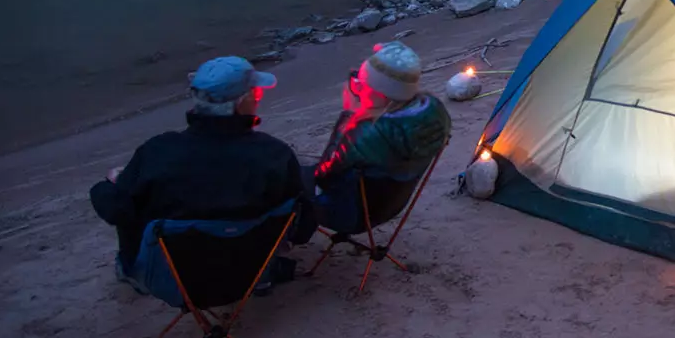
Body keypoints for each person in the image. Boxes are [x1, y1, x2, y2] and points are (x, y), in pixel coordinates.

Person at [90, 56, 305, 290]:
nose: (257, 99)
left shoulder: (158, 152)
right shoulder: (274, 154)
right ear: (240, 104)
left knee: (126, 194)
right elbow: (302, 225)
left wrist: (106, 187)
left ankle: (131, 269)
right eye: (256, 93)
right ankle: (261, 271)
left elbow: (116, 211)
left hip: (177, 281)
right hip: (252, 269)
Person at [306, 41, 451, 232]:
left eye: (363, 85)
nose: (358, 88)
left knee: (288, 175)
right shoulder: (435, 113)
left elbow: (322, 176)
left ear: (381, 95)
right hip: (390, 207)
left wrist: (348, 114)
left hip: (347, 215)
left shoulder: (367, 135)